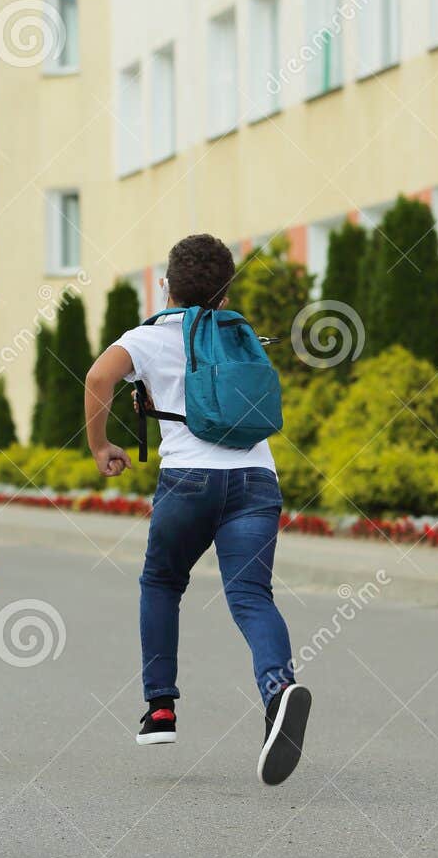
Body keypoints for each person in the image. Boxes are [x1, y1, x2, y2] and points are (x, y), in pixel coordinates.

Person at [82, 233, 311, 786]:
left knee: (161, 582)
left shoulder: (150, 337)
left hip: (188, 480)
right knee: (252, 596)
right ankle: (279, 689)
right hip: (256, 479)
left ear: (166, 285)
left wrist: (100, 446)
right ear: (226, 294)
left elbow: (97, 377)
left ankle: (160, 707)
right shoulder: (242, 335)